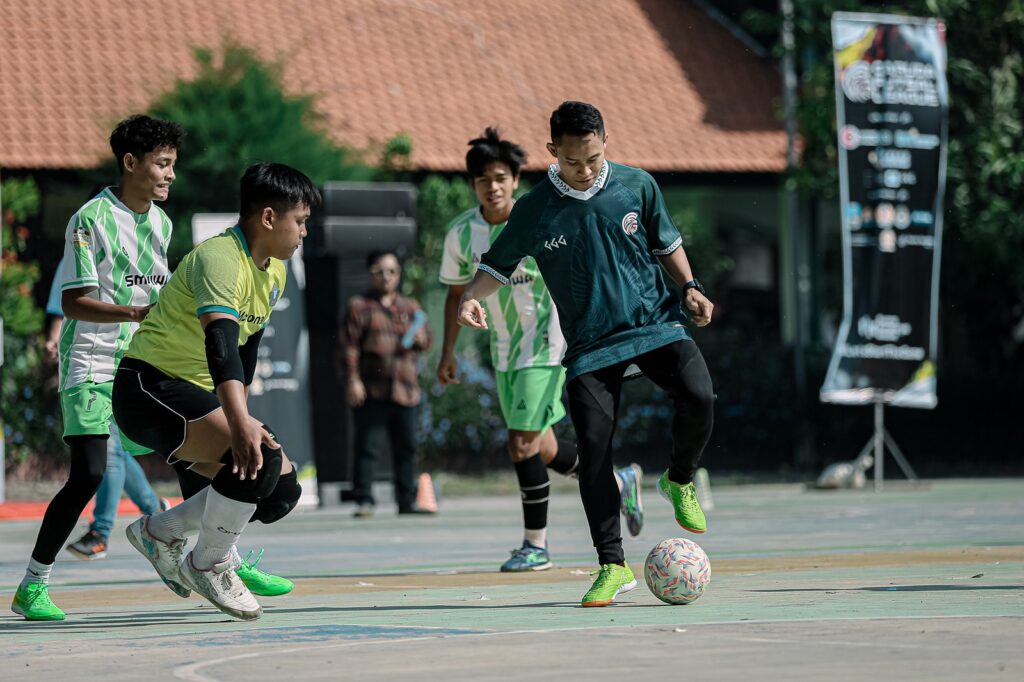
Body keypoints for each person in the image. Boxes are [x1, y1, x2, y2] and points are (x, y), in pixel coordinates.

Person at [457, 102, 716, 607]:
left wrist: (691, 287)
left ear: (605, 143)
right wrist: (471, 297)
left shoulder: (636, 185)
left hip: (654, 325)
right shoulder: (533, 210)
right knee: (595, 450)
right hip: (591, 348)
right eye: (574, 161)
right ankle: (612, 566)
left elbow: (667, 244)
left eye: (594, 158)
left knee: (700, 394)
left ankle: (678, 479)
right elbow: (497, 266)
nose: (585, 170)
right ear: (554, 152)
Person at [111, 162, 317, 621]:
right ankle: (209, 563)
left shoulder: (273, 272)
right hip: (149, 386)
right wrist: (239, 424)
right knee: (255, 460)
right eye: (300, 221)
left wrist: (246, 420)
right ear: (269, 217)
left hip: (196, 396)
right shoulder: (220, 258)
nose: (304, 232)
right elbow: (220, 347)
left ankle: (160, 532)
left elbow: (245, 359)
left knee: (280, 485)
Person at [437, 127, 644, 573]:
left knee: (521, 442)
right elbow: (457, 294)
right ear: (473, 185)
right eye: (482, 180)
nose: (492, 187)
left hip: (549, 347)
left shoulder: (540, 218)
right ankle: (617, 481)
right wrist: (448, 352)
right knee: (545, 446)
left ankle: (536, 545)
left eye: (500, 178)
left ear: (515, 180)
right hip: (505, 351)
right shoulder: (461, 234)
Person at [11, 114, 184, 621]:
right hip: (90, 359)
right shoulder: (89, 219)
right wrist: (135, 312)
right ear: (131, 163)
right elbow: (74, 302)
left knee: (192, 445)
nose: (171, 174)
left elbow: (158, 292)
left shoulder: (162, 222)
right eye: (163, 164)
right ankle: (33, 585)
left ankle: (216, 559)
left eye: (174, 165)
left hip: (140, 361)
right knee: (88, 472)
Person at [39, 256, 172, 561]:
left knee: (114, 449)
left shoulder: (147, 247)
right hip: (93, 366)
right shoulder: (77, 252)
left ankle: (104, 530)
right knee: (112, 448)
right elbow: (65, 305)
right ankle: (150, 514)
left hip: (134, 360)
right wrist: (53, 340)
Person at [340, 250, 434, 517]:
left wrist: (421, 340)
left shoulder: (410, 307)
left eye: (392, 271)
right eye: (380, 271)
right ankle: (365, 500)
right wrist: (353, 380)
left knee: (407, 447)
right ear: (370, 274)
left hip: (405, 389)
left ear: (398, 274)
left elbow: (427, 340)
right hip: (372, 388)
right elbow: (349, 348)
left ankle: (406, 500)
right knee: (367, 446)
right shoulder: (359, 306)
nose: (386, 277)